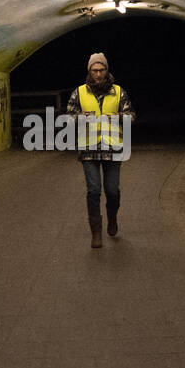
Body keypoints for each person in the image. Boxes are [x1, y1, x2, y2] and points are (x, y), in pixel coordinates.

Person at [65, 53, 135, 248]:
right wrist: (80, 117)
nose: (98, 74)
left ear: (106, 70)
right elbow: (68, 118)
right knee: (94, 190)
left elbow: (131, 115)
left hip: (113, 149)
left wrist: (119, 117)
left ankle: (112, 217)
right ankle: (96, 231)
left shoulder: (119, 92)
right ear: (89, 71)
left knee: (112, 191)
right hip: (89, 150)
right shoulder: (78, 93)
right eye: (94, 70)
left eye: (101, 70)